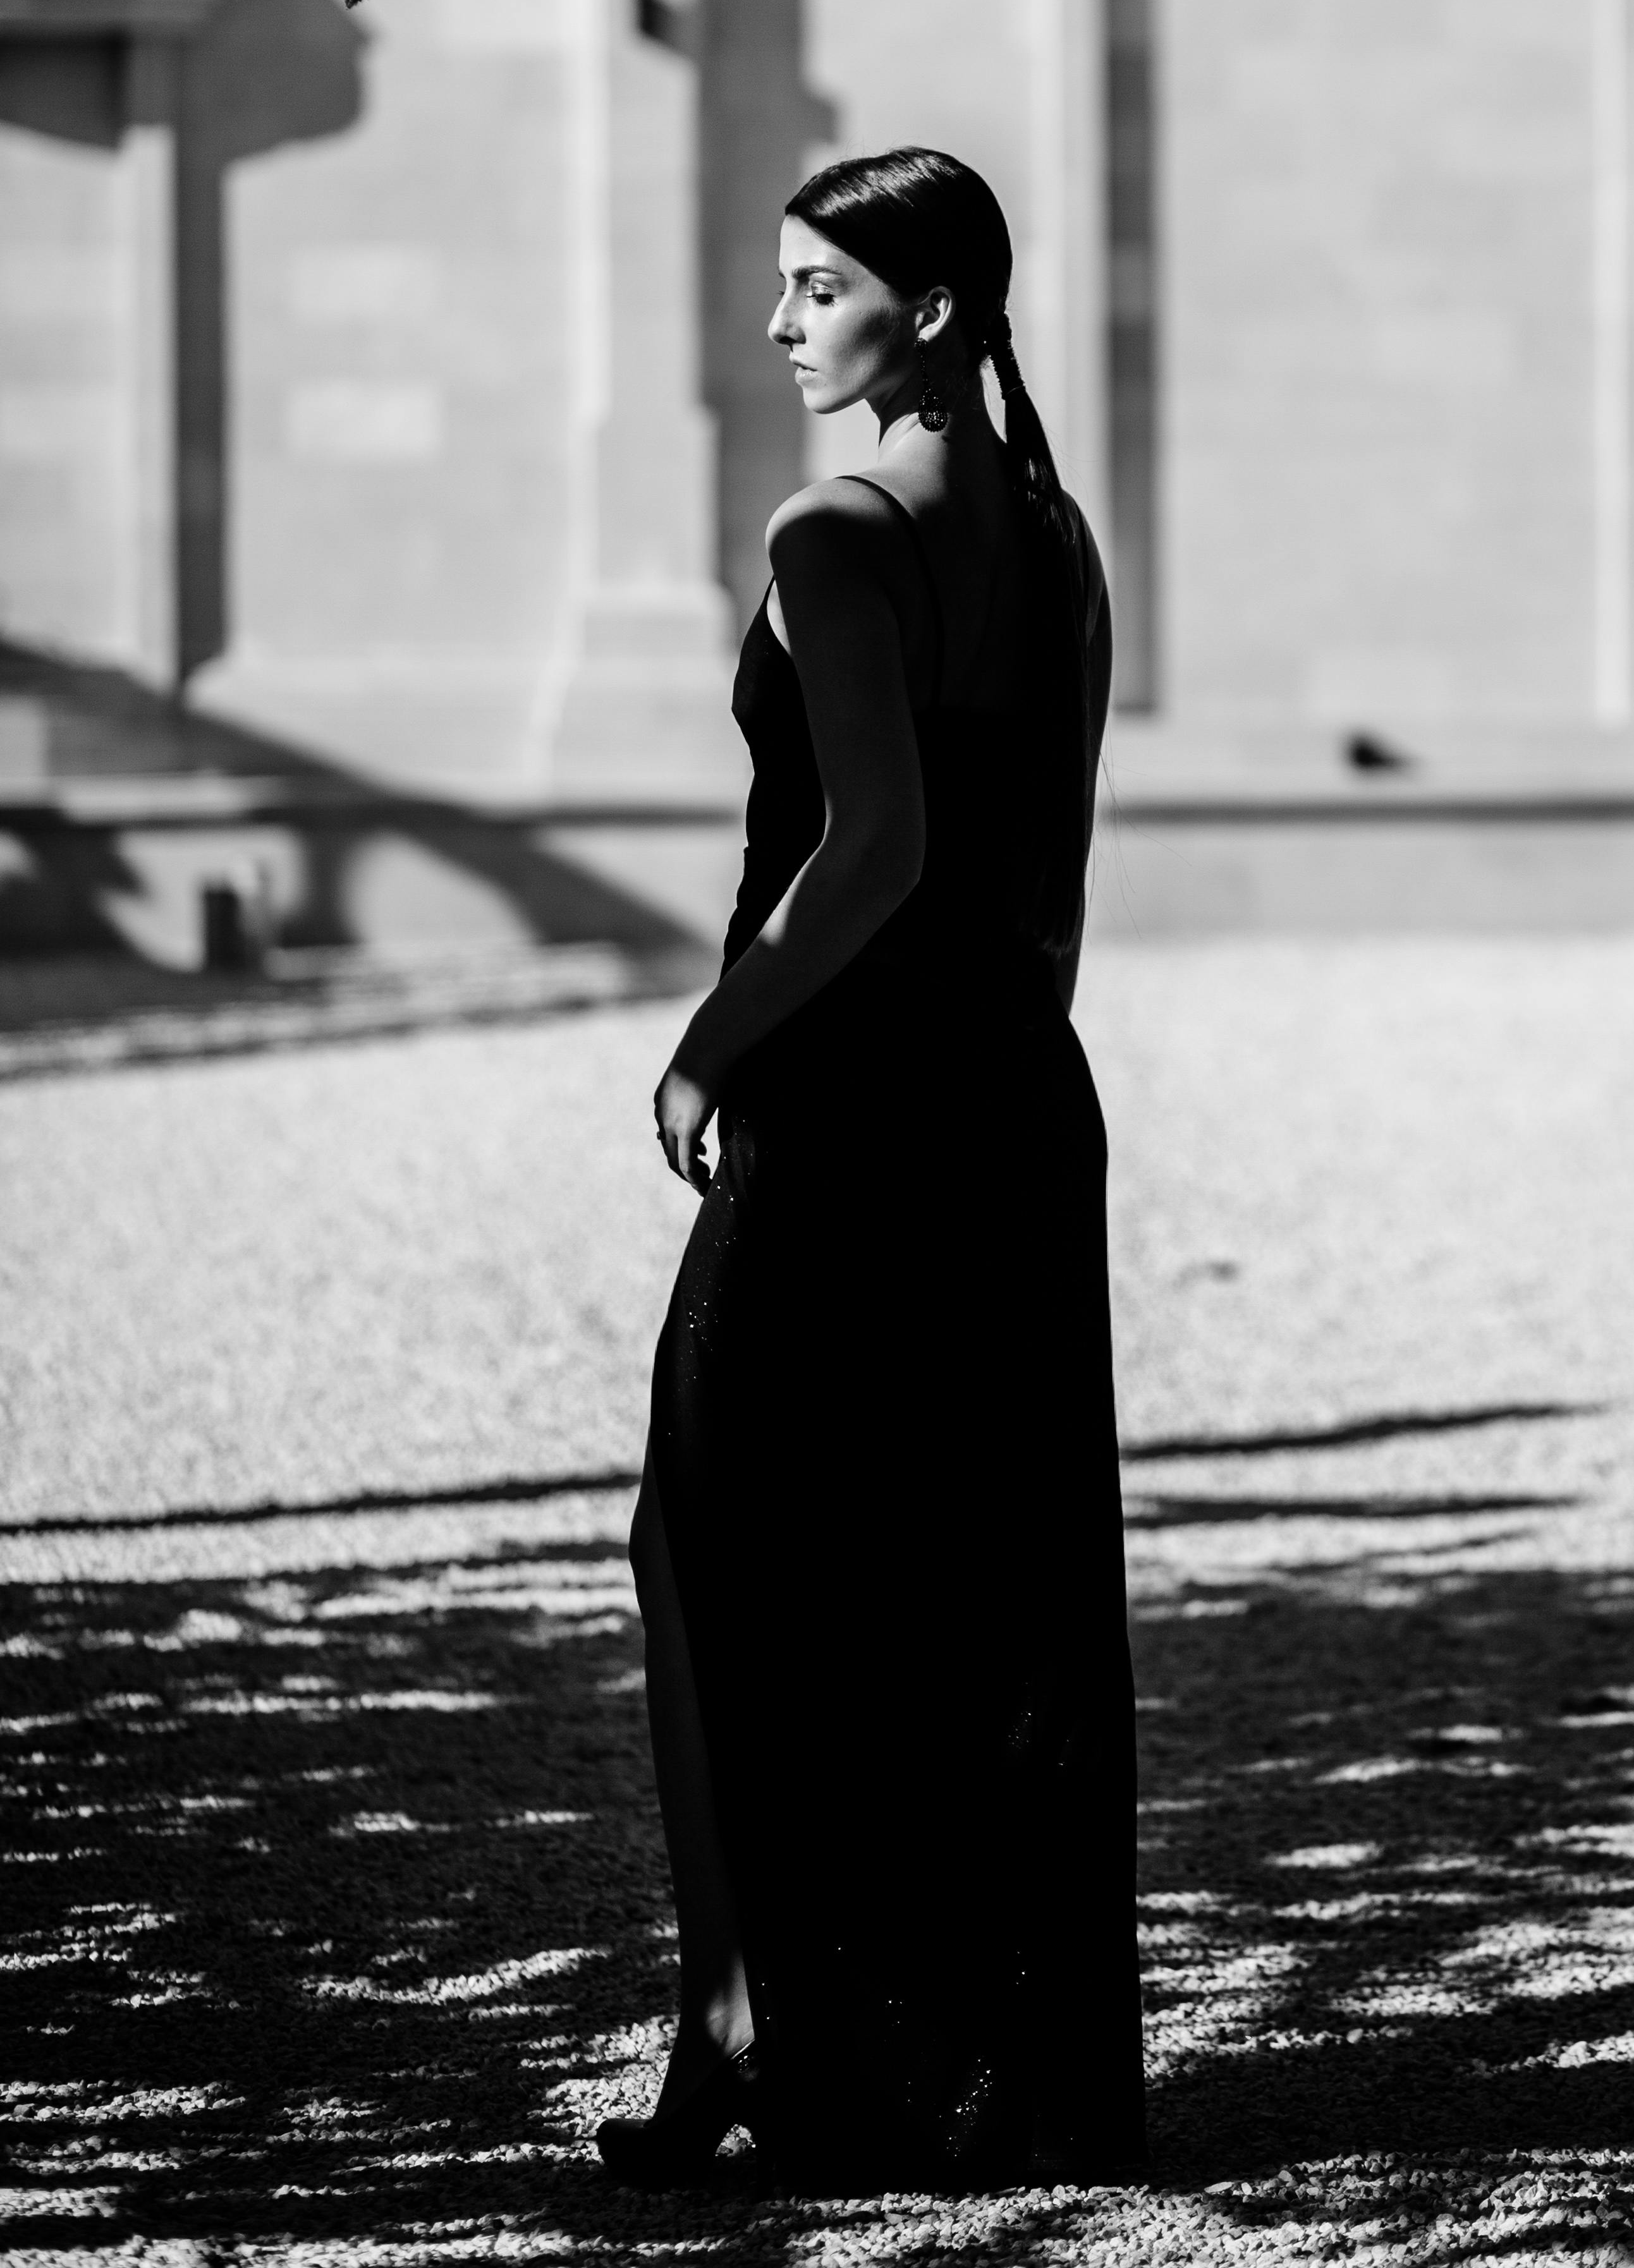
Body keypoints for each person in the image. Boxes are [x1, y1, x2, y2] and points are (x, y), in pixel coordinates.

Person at [596, 147, 1145, 2196]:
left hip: (848, 1101)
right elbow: (1056, 876)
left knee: (701, 1541)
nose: (778, 320)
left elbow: (878, 843)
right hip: (1014, 1085)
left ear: (919, 304)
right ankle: (977, 2068)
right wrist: (1013, 1054)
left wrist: (710, 1038)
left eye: (813, 285)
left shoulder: (832, 532)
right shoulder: (1059, 536)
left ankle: (743, 2026)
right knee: (970, 1578)